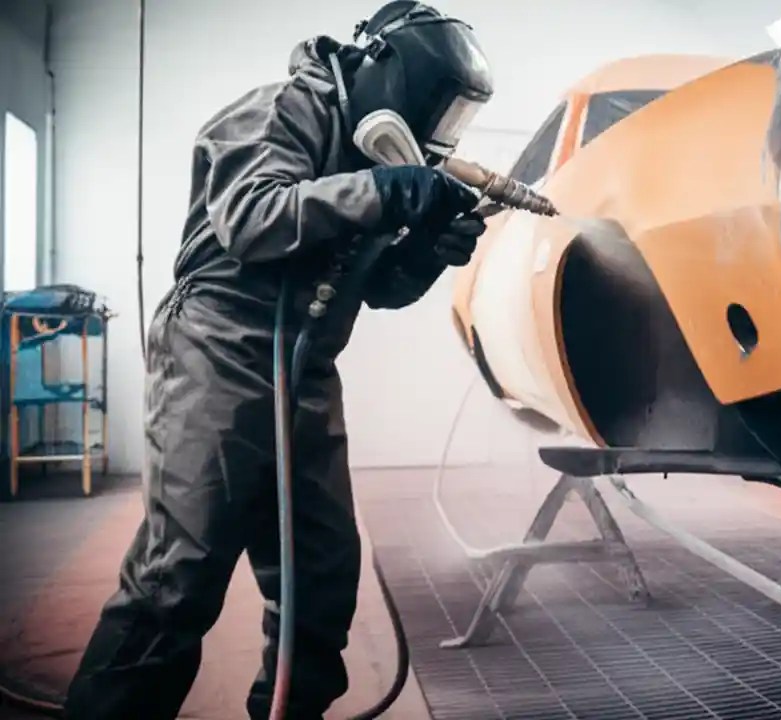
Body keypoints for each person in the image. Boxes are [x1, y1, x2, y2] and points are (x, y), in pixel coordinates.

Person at [63, 3, 493, 718]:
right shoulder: (277, 111)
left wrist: (419, 258)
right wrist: (384, 194)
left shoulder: (374, 155)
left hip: (306, 367)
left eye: (454, 118)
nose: (436, 131)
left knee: (320, 580)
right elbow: (253, 219)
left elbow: (376, 290)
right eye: (435, 106)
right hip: (218, 352)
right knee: (180, 581)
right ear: (388, 73)